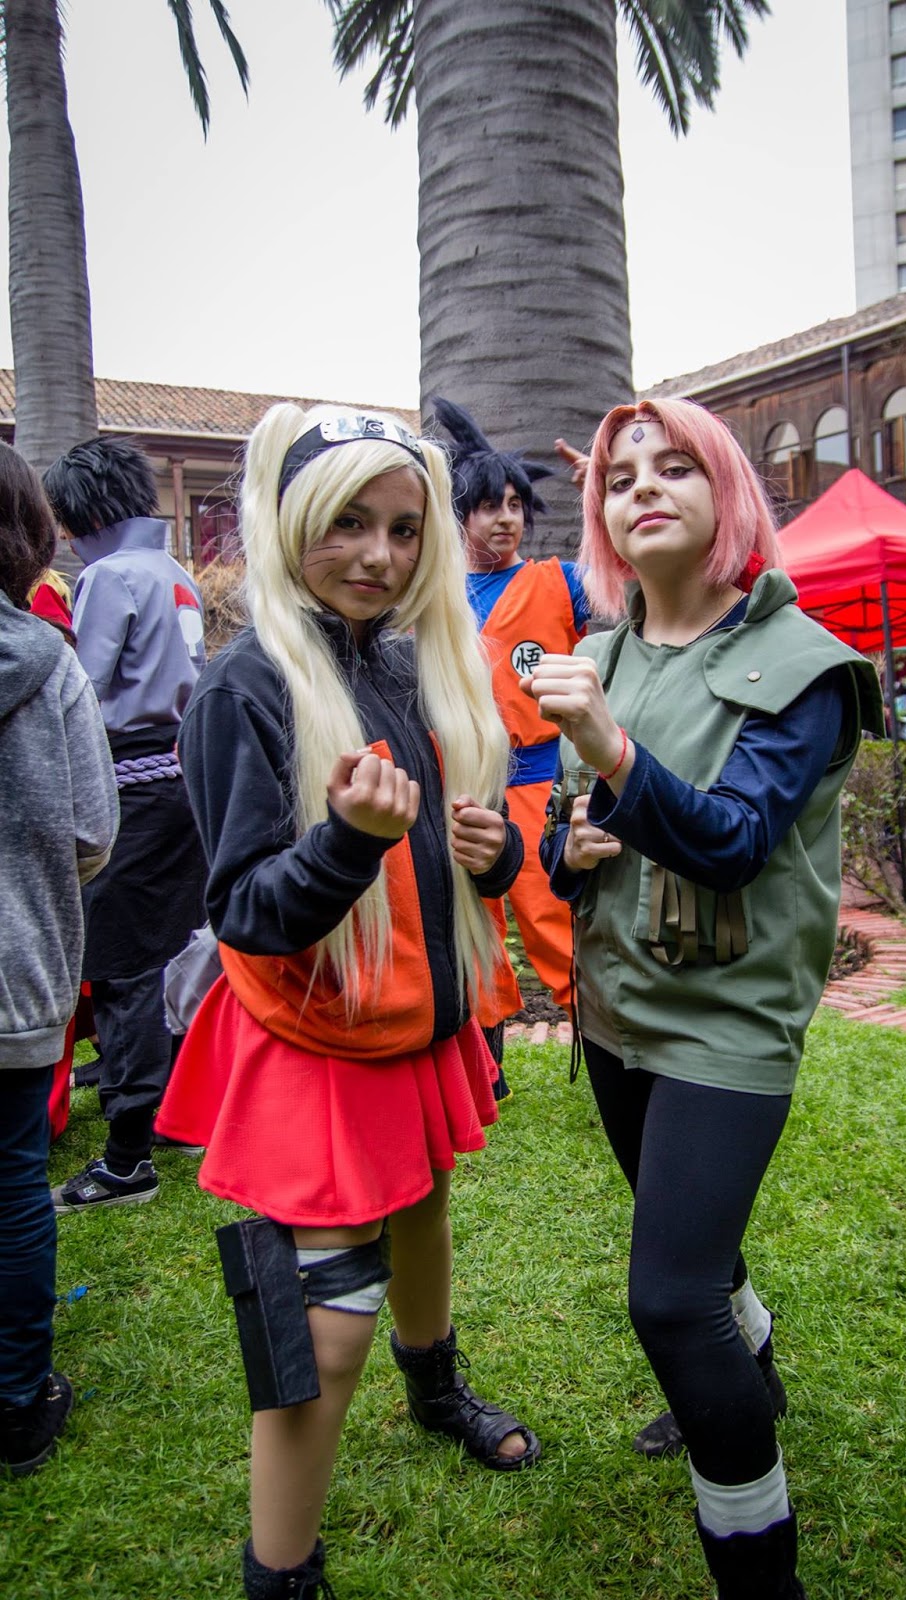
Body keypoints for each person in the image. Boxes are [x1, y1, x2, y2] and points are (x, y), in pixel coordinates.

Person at [154, 405, 540, 1600]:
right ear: (289, 524)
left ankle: (436, 1390)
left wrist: (490, 860)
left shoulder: (408, 657)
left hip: (415, 1021)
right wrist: (346, 843)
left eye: (403, 529)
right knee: (324, 1324)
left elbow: (453, 862)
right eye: (349, 526)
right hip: (315, 1038)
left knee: (423, 1205)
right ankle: (281, 1573)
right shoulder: (245, 686)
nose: (379, 554)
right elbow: (247, 912)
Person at [528, 400, 881, 1599]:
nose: (643, 488)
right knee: (706, 1256)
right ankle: (755, 1365)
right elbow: (564, 826)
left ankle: (756, 1568)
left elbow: (729, 841)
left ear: (727, 493)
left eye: (676, 466)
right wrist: (551, 843)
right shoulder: (609, 648)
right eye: (620, 477)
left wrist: (612, 753)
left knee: (671, 1299)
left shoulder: (806, 667)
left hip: (727, 1020)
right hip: (618, 1012)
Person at [42, 438, 208, 1210]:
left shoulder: (108, 576)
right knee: (174, 950)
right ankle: (177, 1113)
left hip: (132, 783)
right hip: (181, 781)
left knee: (122, 964)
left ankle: (127, 1154)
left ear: (86, 515)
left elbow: (83, 686)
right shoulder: (175, 572)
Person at [0, 443, 118, 1475]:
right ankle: (17, 1399)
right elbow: (92, 826)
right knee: (10, 1185)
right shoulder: (49, 661)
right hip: (17, 970)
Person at [433, 398, 590, 1048]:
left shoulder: (560, 583)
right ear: (459, 513)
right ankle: (484, 1064)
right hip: (458, 787)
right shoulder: (430, 600)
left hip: (537, 784)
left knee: (556, 925)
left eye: (516, 504)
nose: (507, 519)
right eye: (490, 505)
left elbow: (638, 578)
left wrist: (604, 491)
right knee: (471, 926)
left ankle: (615, 1058)